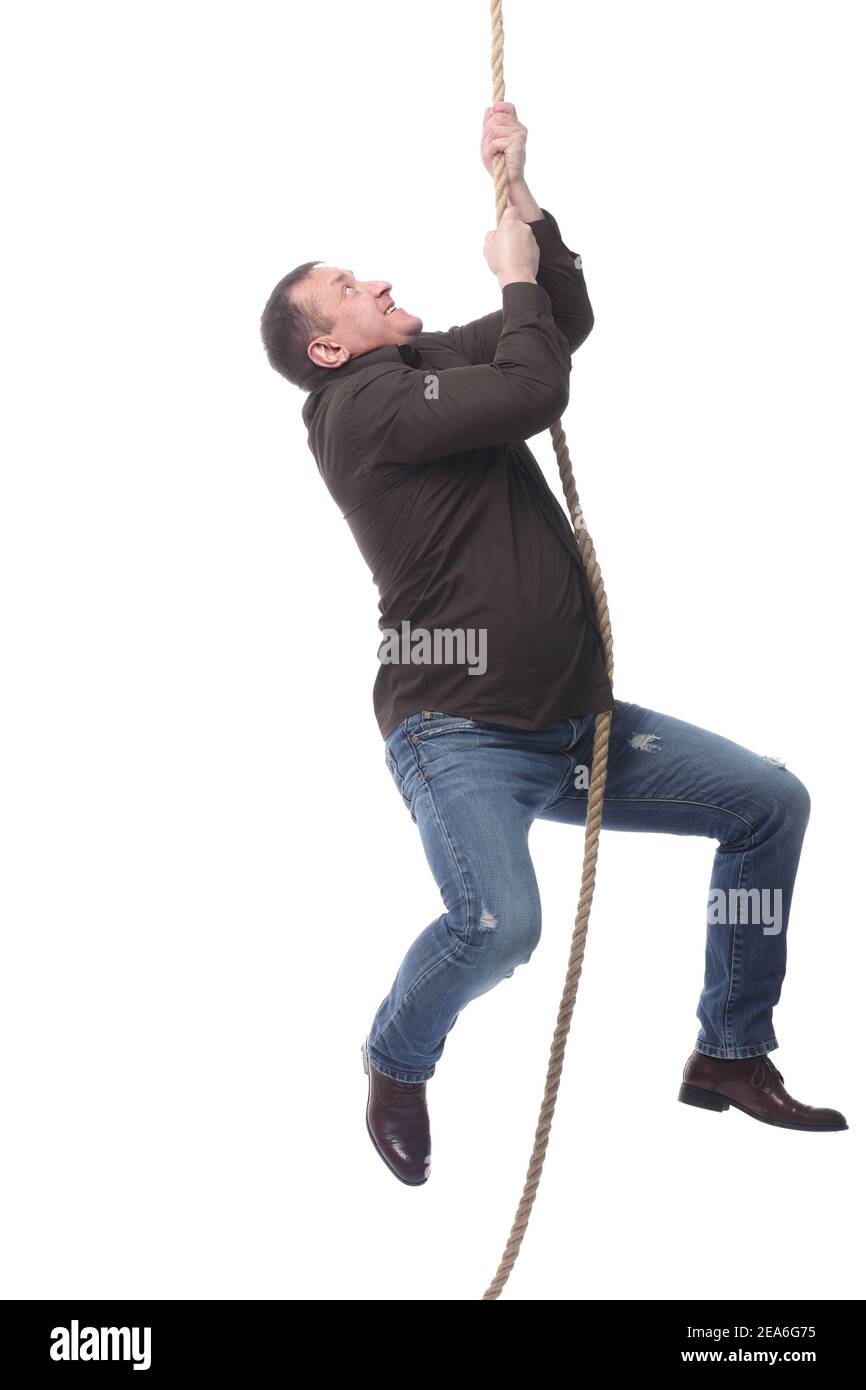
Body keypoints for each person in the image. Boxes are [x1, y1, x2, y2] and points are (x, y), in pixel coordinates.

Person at [260, 103, 848, 1186]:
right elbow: (535, 385)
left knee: (768, 803)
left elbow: (557, 328)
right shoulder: (362, 414)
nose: (378, 281)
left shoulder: (426, 365)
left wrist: (521, 198)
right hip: (460, 736)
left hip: (573, 725)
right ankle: (396, 1058)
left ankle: (729, 1048)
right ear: (326, 346)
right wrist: (510, 276)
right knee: (496, 926)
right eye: (349, 288)